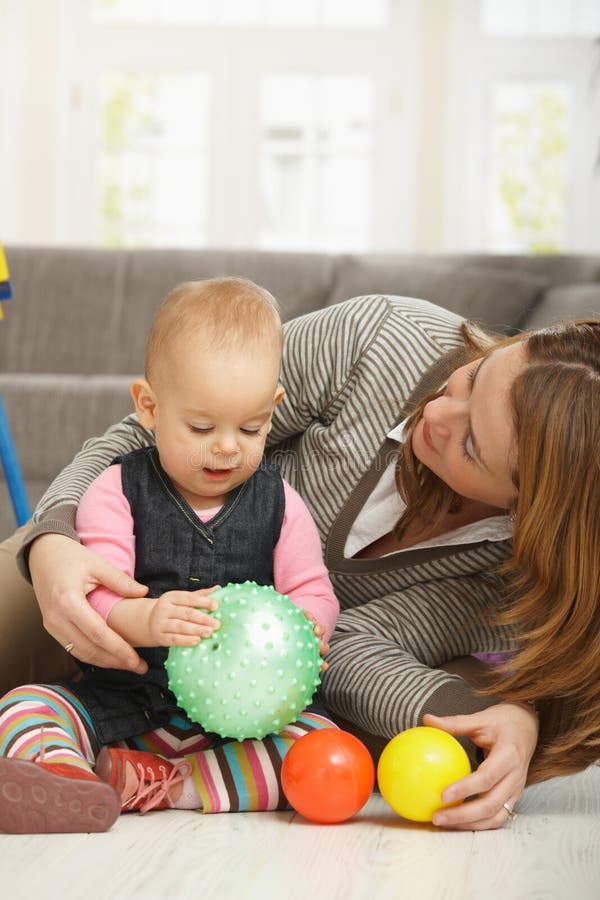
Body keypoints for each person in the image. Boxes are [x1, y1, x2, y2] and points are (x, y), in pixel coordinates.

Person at [1, 295, 598, 832]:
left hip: (250, 700)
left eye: (471, 445)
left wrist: (498, 714)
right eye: (472, 377)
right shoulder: (376, 340)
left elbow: (351, 646)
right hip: (95, 558)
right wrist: (52, 542)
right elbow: (137, 440)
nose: (438, 414)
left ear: (527, 507)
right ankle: (57, 765)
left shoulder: (507, 573)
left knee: (326, 749)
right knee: (23, 684)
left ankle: (161, 782)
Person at [0, 277, 339, 834]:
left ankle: (170, 785)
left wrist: (306, 628)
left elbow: (313, 588)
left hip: (240, 721)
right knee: (24, 705)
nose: (226, 446)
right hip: (126, 703)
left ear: (273, 411)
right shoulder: (116, 489)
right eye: (201, 427)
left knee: (320, 745)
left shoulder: (282, 503)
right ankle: (66, 776)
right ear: (150, 407)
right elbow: (99, 595)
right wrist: (149, 618)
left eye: (250, 428)